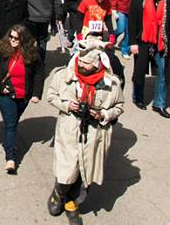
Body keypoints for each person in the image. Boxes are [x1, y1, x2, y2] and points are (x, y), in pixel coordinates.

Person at [46, 38, 125, 225]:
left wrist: (103, 113)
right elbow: (51, 95)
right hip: (69, 131)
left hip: (94, 134)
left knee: (85, 173)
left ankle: (72, 204)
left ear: (96, 64)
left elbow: (119, 106)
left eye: (86, 63)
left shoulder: (110, 83)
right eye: (80, 61)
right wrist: (67, 105)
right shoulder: (65, 75)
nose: (81, 65)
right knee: (67, 170)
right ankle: (59, 192)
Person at [0, 24, 44, 174]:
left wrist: (37, 93)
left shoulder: (32, 52)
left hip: (23, 95)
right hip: (6, 93)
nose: (12, 40)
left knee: (12, 121)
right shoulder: (1, 49)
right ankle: (11, 158)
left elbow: (39, 72)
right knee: (11, 124)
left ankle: (9, 141)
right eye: (11, 37)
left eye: (16, 38)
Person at [129, 0, 170, 117]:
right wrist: (132, 44)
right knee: (139, 71)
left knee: (162, 73)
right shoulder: (138, 3)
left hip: (161, 43)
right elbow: (132, 25)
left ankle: (159, 104)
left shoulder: (169, 3)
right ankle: (138, 97)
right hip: (143, 42)